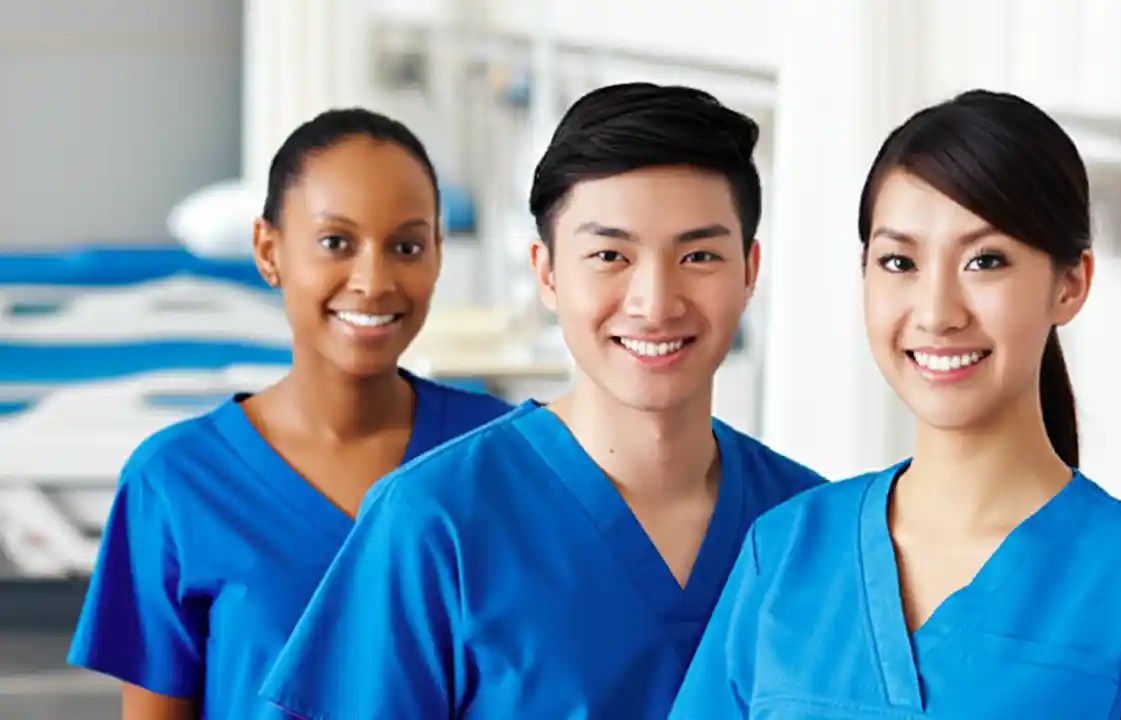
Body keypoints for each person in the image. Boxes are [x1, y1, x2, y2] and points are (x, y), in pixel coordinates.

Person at [670, 89, 1121, 719]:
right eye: (899, 261)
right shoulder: (783, 553)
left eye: (985, 260)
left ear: (1071, 284)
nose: (938, 312)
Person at [258, 82, 826, 719]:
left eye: (698, 255)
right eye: (610, 255)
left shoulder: (814, 530)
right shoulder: (435, 524)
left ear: (749, 271)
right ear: (548, 273)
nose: (656, 302)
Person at [67, 108, 513, 719]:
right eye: (336, 243)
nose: (374, 280)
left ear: (438, 255)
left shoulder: (502, 455)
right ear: (268, 249)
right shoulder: (175, 483)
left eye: (407, 246)